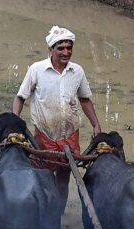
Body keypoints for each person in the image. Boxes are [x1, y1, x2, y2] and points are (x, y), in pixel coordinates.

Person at [12, 25, 102, 208]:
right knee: (42, 176)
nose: (66, 52)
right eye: (60, 48)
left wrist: (96, 125)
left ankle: (58, 212)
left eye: (69, 48)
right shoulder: (36, 70)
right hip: (44, 135)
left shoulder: (77, 71)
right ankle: (42, 208)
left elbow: (85, 99)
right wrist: (15, 120)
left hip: (69, 135)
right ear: (50, 49)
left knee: (63, 176)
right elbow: (21, 97)